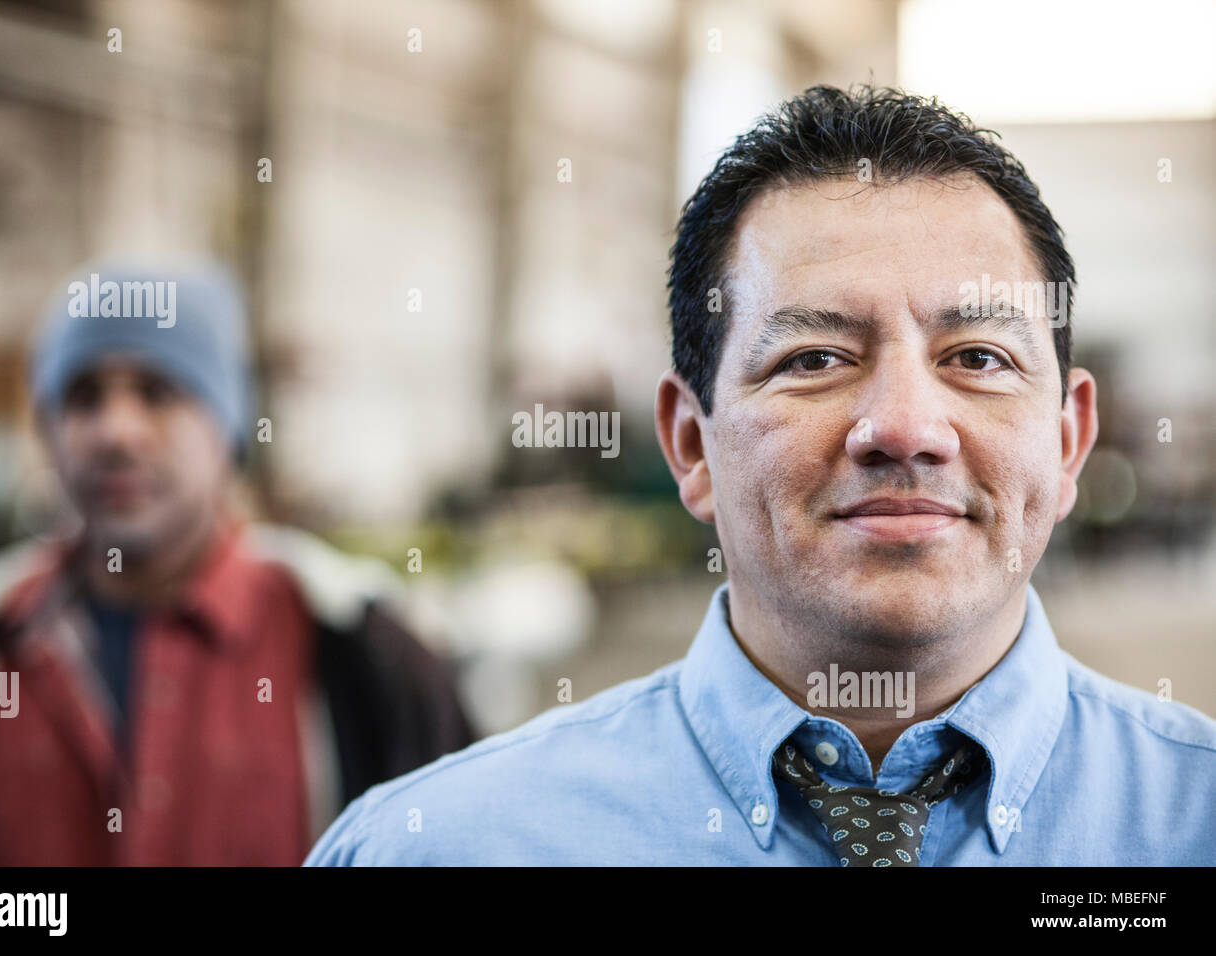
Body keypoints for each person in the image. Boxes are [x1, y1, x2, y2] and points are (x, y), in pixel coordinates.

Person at [305, 85, 1216, 866]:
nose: (903, 427)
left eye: (977, 357)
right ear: (691, 445)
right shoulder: (445, 849)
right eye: (815, 358)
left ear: (1068, 441)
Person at [0, 259, 474, 865]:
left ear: (227, 427)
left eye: (158, 392)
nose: (117, 431)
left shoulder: (363, 652)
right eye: (84, 397)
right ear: (47, 430)